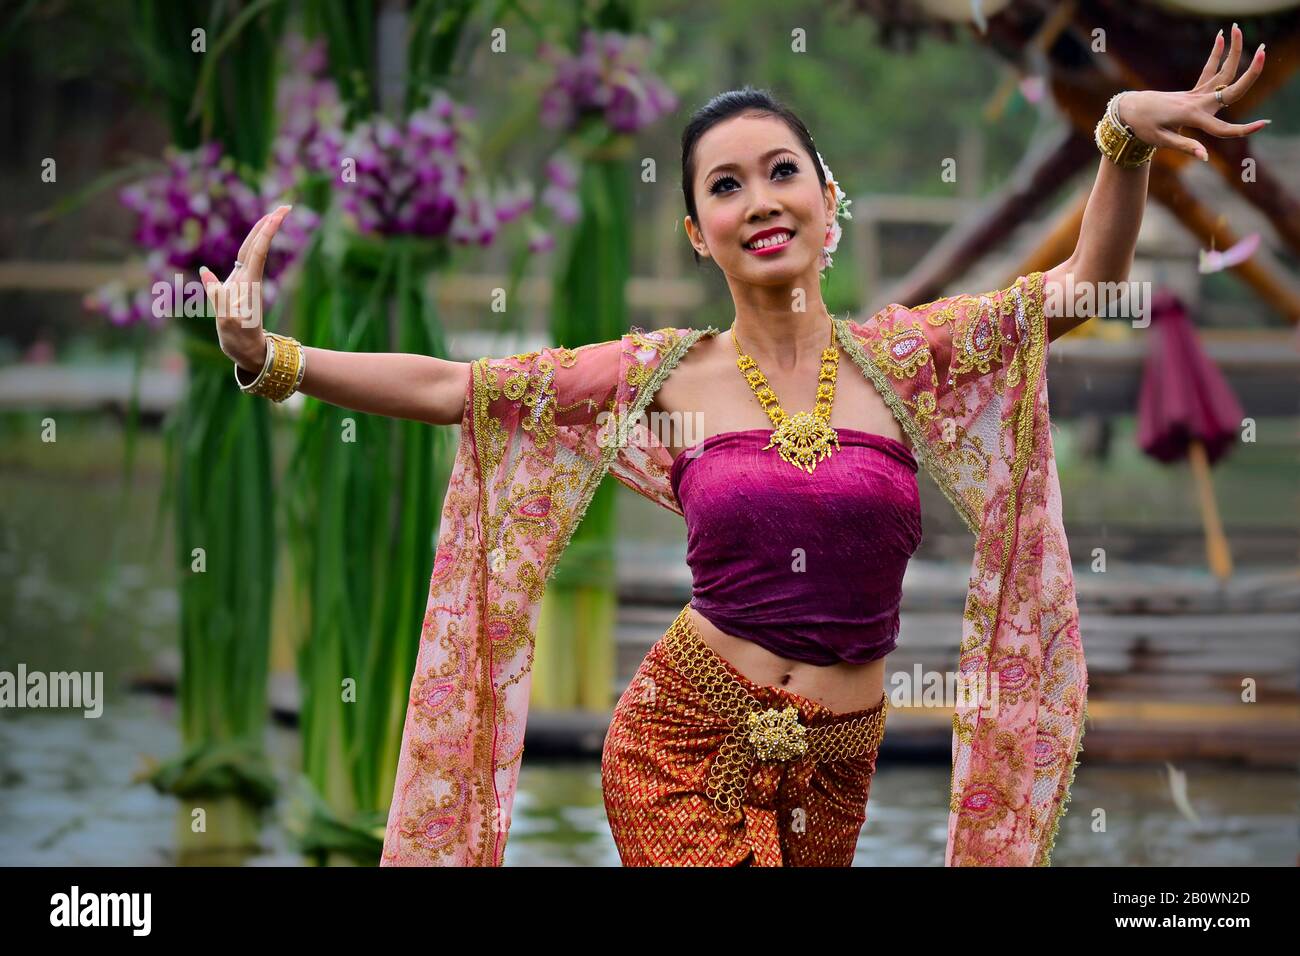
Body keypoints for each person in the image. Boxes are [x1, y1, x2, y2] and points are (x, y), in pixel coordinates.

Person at [200, 24, 1268, 866]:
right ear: (695, 231)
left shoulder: (910, 358)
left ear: (826, 196)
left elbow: (1080, 287)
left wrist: (1120, 134)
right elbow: (453, 387)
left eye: (779, 172)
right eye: (724, 185)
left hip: (838, 768)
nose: (758, 201)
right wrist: (272, 355)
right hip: (680, 745)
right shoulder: (657, 376)